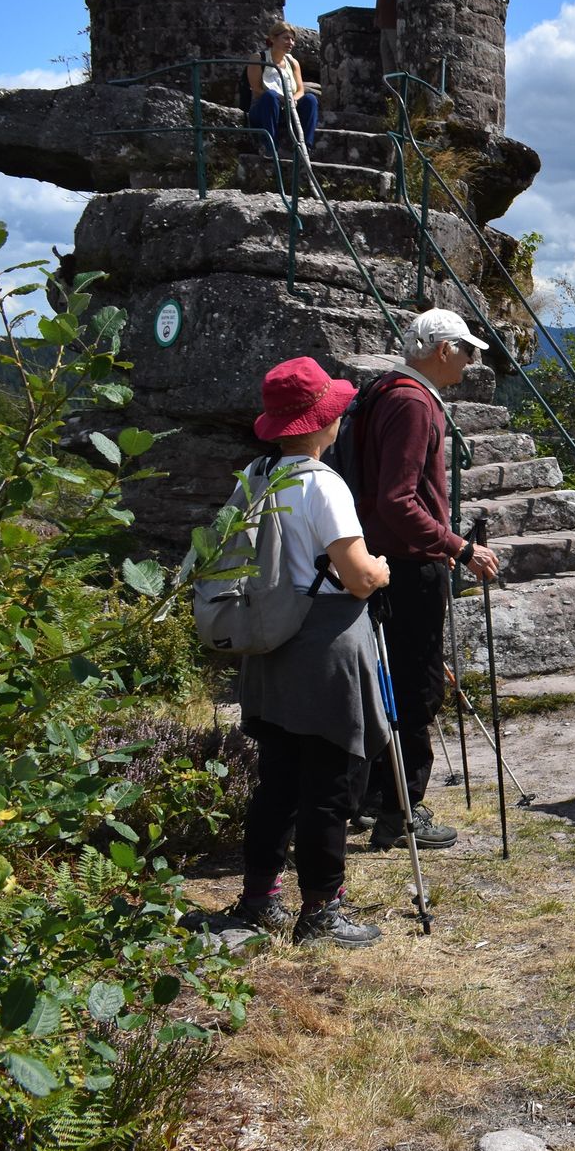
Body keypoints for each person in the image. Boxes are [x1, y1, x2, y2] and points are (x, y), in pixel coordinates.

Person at [232, 357, 392, 947]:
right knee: (328, 780)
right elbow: (357, 577)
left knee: (277, 778)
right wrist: (381, 570)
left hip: (270, 640)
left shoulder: (254, 476)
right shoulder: (323, 485)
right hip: (324, 643)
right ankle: (322, 910)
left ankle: (260, 898)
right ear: (323, 421)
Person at [352, 308, 499, 850]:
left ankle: (372, 798)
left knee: (386, 684)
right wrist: (458, 546)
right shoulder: (415, 403)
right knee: (418, 689)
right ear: (442, 350)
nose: (471, 360)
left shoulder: (385, 391)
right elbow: (399, 500)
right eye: (467, 350)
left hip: (382, 560)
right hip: (409, 569)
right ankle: (402, 811)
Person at [245, 21, 320, 152]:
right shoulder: (258, 58)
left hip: (287, 109)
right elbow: (256, 89)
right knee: (270, 96)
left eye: (292, 39)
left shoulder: (293, 62)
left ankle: (306, 146)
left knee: (310, 99)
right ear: (273, 38)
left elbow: (300, 90)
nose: (290, 42)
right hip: (264, 109)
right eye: (286, 38)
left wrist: (293, 99)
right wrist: (279, 98)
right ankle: (270, 147)